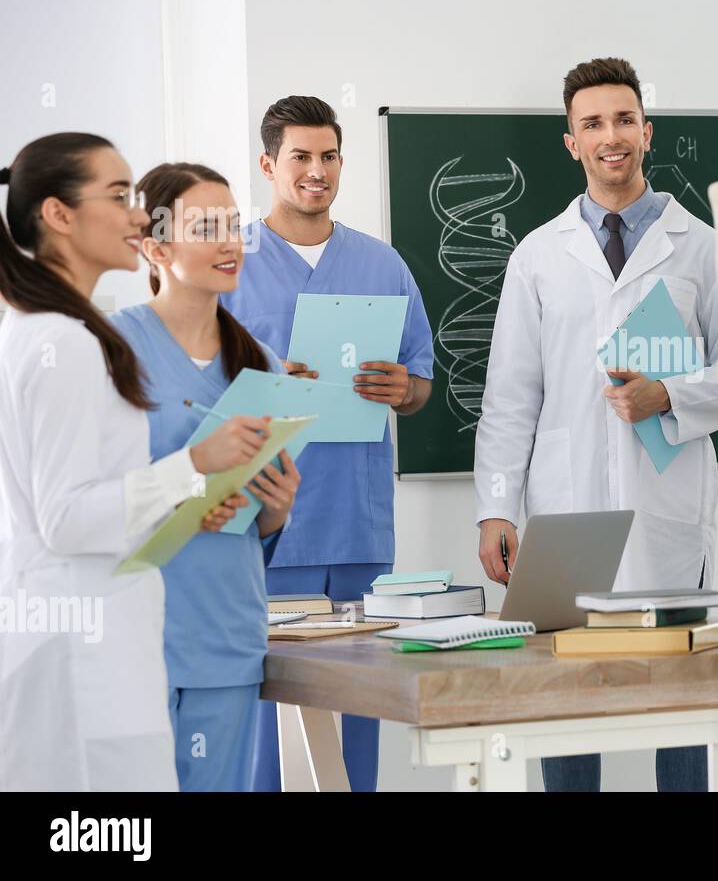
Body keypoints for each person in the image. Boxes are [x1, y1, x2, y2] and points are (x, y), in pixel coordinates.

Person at [474, 58, 718, 791]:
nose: (611, 136)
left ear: (647, 129)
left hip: (665, 512)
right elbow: (512, 394)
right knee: (567, 710)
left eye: (623, 119)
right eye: (592, 123)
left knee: (680, 709)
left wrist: (668, 395)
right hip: (565, 513)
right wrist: (494, 509)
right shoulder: (539, 256)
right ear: (571, 141)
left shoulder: (706, 249)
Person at [0, 134, 269, 790]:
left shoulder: (52, 333)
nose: (136, 216)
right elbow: (65, 519)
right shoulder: (64, 343)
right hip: (85, 656)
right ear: (59, 216)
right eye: (119, 196)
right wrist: (194, 466)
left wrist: (209, 499)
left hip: (101, 646)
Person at [220, 96, 435, 792]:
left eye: (329, 156)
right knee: (267, 722)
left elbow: (422, 384)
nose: (317, 171)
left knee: (359, 719)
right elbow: (198, 395)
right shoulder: (231, 265)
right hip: (268, 527)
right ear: (268, 165)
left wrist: (404, 388)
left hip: (357, 526)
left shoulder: (382, 265)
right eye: (300, 158)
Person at [112, 162, 301, 791]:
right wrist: (191, 479)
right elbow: (89, 500)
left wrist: (276, 509)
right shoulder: (112, 351)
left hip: (225, 633)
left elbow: (259, 525)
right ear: (156, 247)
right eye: (208, 227)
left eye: (234, 226)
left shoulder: (261, 362)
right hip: (138, 636)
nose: (231, 242)